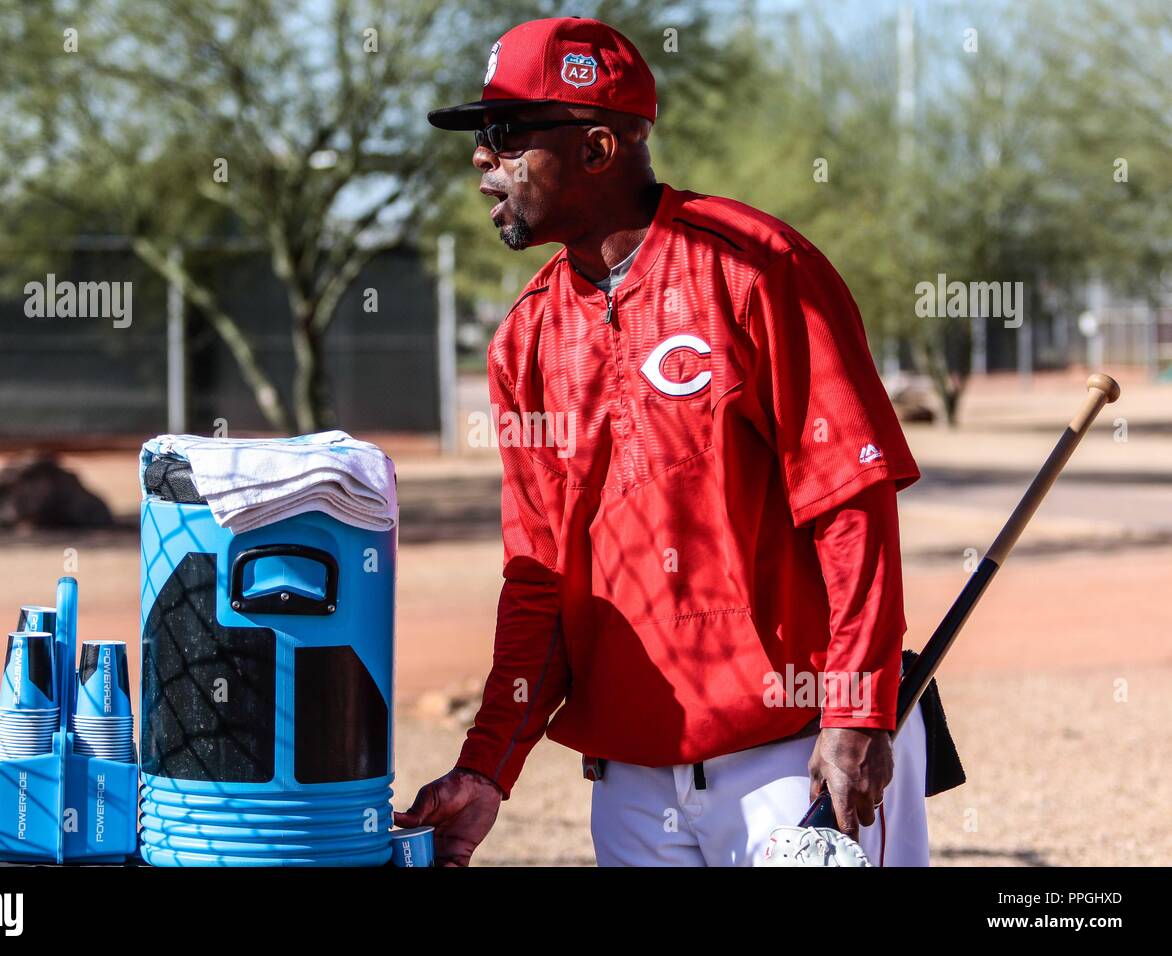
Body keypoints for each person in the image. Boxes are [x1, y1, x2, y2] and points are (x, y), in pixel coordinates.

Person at [396, 16, 932, 867]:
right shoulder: (524, 341)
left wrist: (860, 712)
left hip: (796, 763)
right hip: (633, 789)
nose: (480, 160)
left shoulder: (756, 269)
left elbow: (850, 507)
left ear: (599, 146)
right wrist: (489, 767)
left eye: (504, 135)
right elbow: (539, 584)